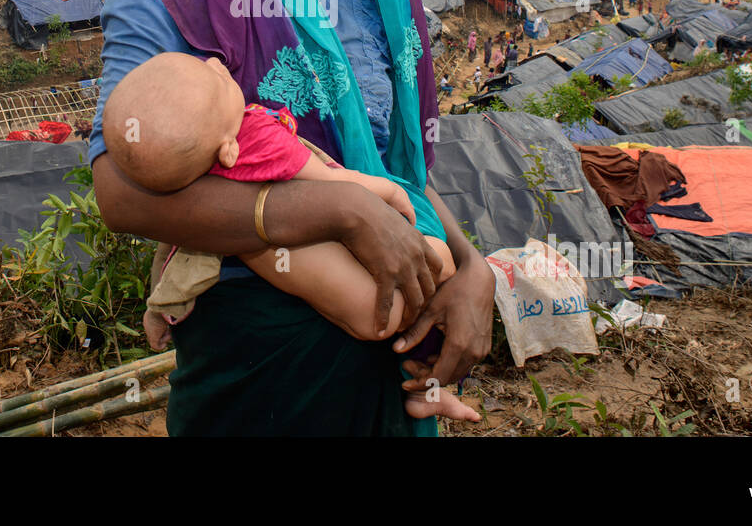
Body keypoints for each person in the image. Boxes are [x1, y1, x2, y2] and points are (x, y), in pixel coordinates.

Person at [88, 0, 494, 436]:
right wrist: (333, 212)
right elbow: (121, 191)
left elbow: (390, 156)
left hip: (393, 357)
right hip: (258, 360)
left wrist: (468, 265)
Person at [107, 54, 476, 422]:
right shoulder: (254, 137)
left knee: (385, 305)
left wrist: (158, 311)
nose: (217, 63)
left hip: (307, 277)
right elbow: (335, 184)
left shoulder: (201, 194)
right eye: (215, 79)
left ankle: (429, 389)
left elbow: (168, 258)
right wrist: (390, 193)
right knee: (430, 266)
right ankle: (428, 385)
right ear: (228, 151)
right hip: (342, 282)